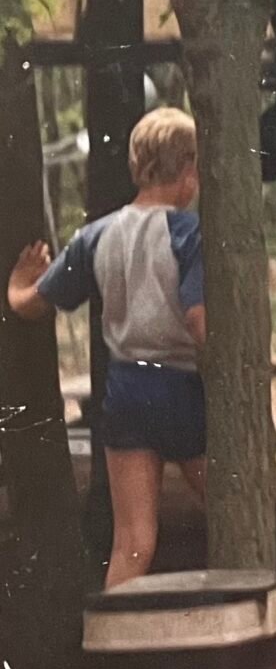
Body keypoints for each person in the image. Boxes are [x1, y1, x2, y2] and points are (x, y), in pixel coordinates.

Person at [7, 107, 205, 589]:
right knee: (234, 505)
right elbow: (201, 324)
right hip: (180, 387)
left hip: (125, 390)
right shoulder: (188, 233)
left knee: (132, 541)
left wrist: (16, 283)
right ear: (188, 170)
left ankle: (113, 657)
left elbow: (32, 304)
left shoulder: (97, 235)